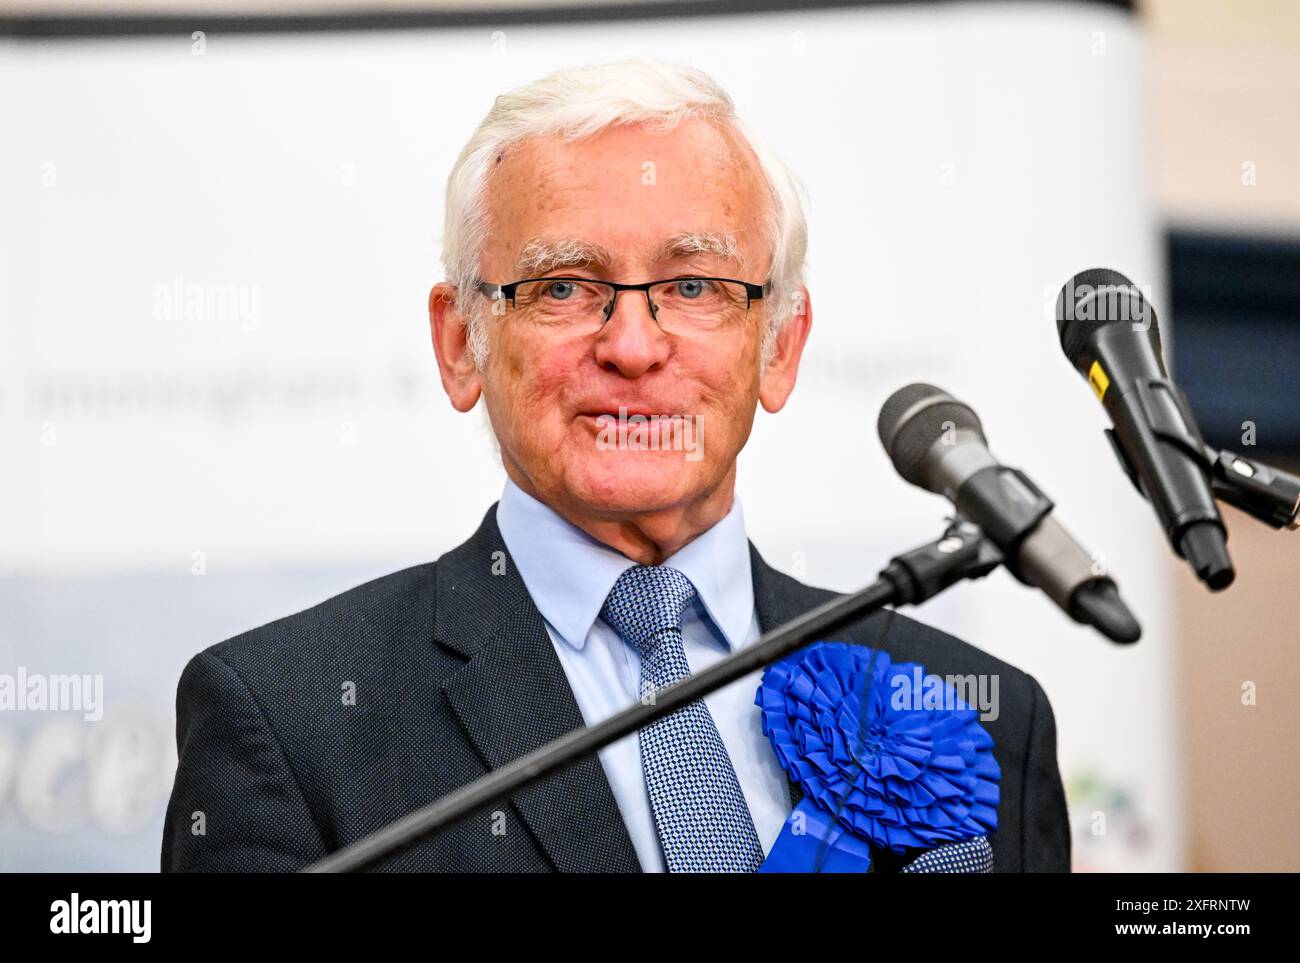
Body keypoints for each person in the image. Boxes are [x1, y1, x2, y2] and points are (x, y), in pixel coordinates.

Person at [162, 58, 1069, 873]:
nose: (634, 346)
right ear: (461, 344)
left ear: (780, 345)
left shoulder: (982, 716)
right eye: (563, 287)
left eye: (695, 287)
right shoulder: (289, 721)